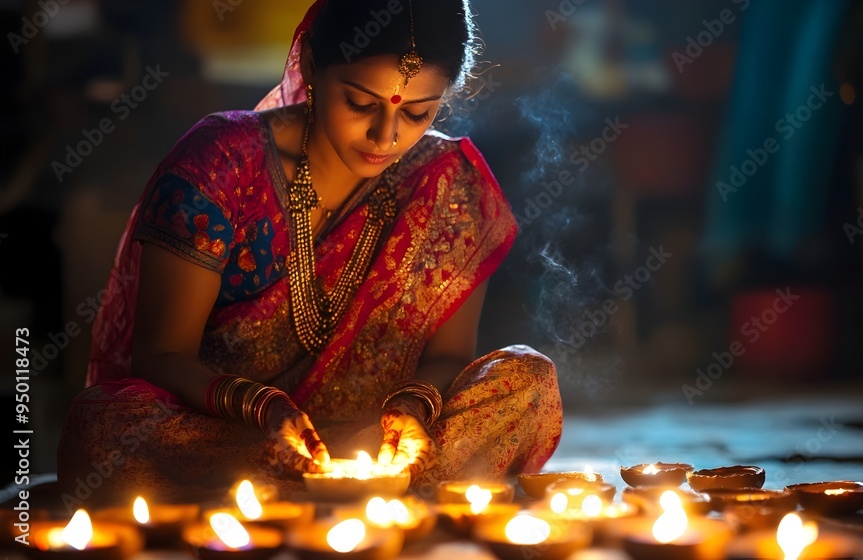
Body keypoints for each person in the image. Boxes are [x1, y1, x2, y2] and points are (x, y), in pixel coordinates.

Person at [56, 0, 563, 505]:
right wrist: (260, 406)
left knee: (528, 380)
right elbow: (161, 355)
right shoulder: (223, 161)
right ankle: (372, 488)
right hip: (238, 431)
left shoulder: (449, 182)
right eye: (361, 104)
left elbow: (450, 356)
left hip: (379, 441)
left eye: (416, 113)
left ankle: (324, 485)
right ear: (315, 67)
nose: (385, 137)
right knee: (105, 427)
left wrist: (413, 407)